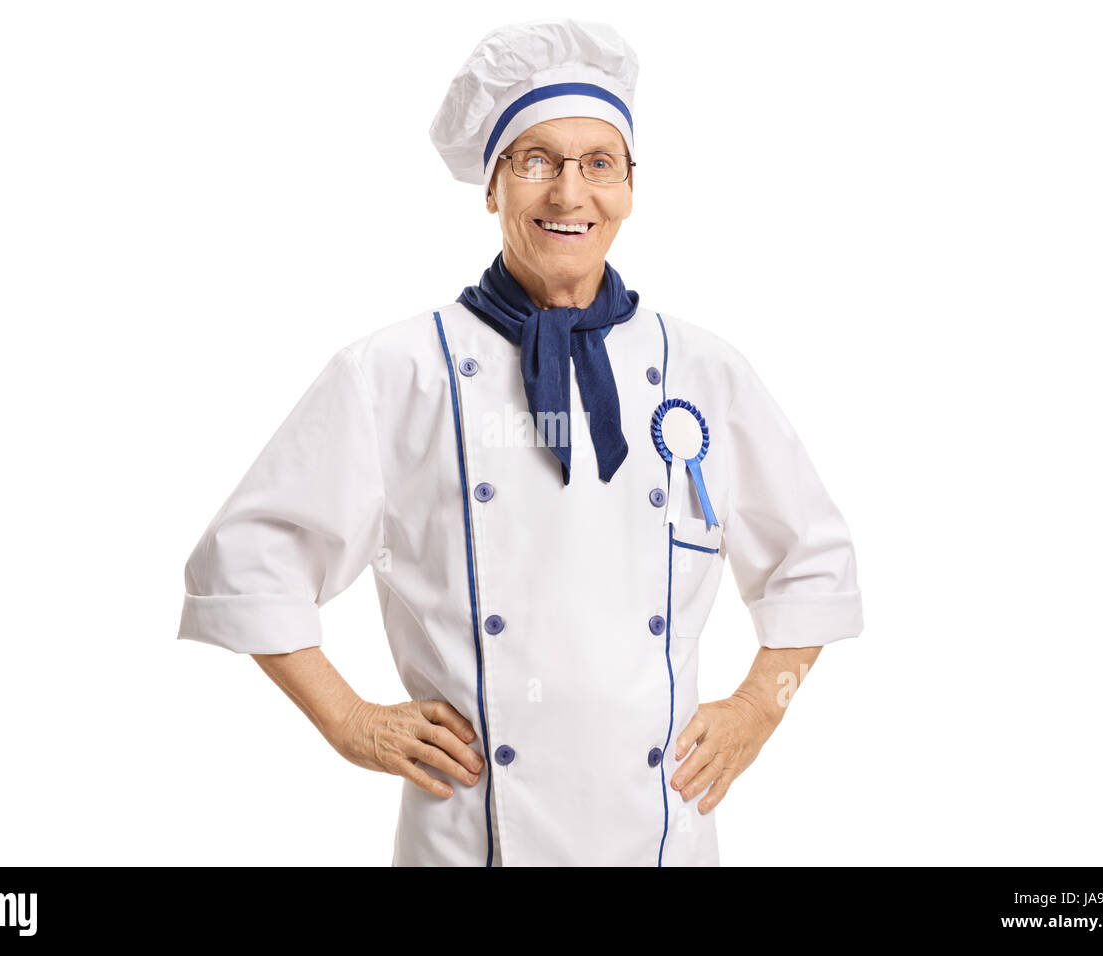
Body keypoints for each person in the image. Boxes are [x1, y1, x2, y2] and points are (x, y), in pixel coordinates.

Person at [177, 17, 864, 867]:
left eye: (599, 163)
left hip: (664, 834)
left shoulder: (705, 370)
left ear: (631, 186)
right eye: (536, 161)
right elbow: (246, 561)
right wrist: (350, 721)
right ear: (492, 186)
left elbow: (814, 561)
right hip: (471, 836)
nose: (570, 194)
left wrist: (760, 705)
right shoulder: (396, 371)